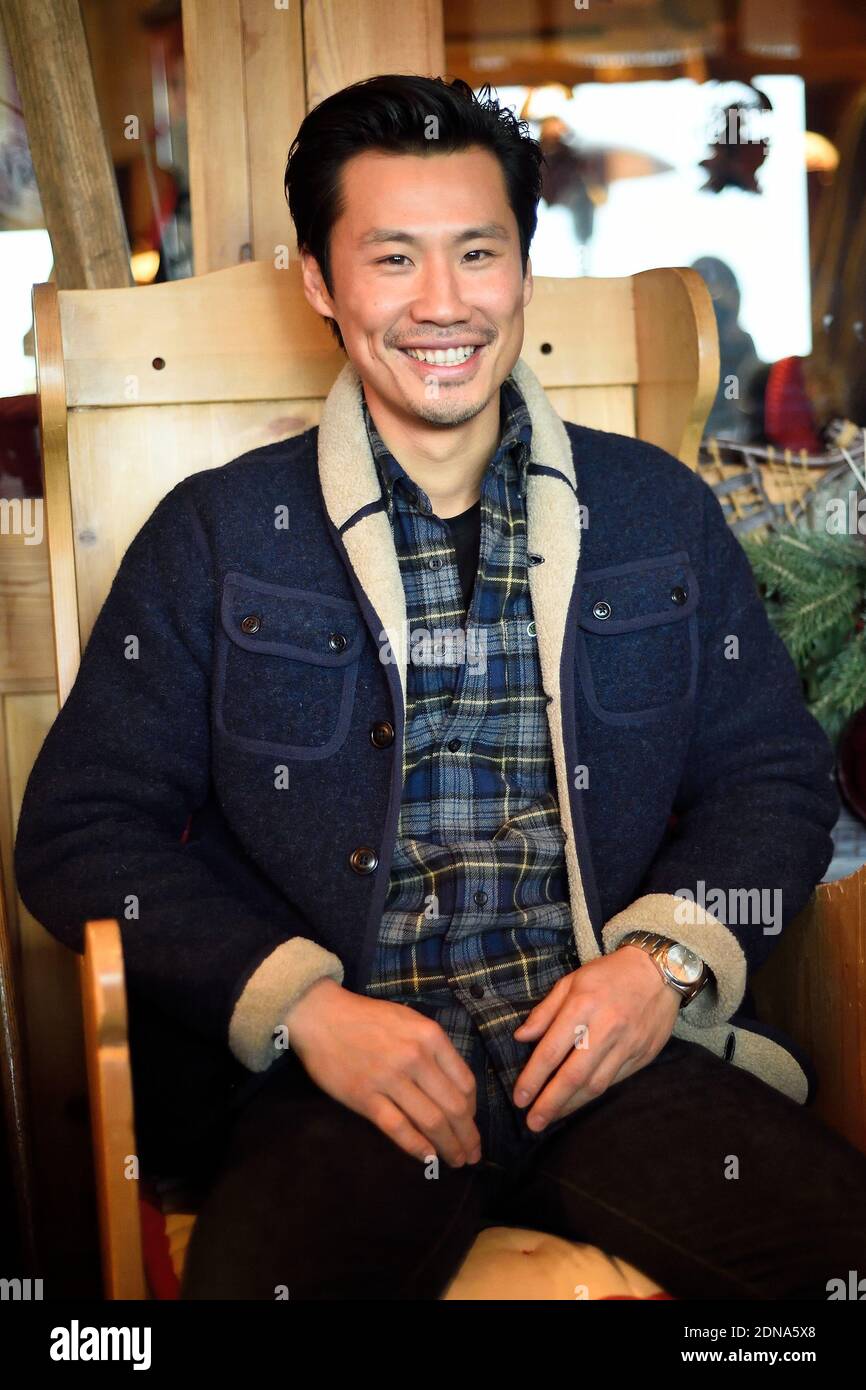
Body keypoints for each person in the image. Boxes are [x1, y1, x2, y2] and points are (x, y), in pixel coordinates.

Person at [14, 74, 866, 1301]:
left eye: (476, 253)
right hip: (342, 1088)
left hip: (606, 1055)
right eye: (391, 258)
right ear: (319, 281)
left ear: (522, 268)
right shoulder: (217, 535)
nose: (442, 304)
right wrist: (300, 1006)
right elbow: (82, 828)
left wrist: (660, 966)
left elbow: (771, 780)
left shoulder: (655, 514)